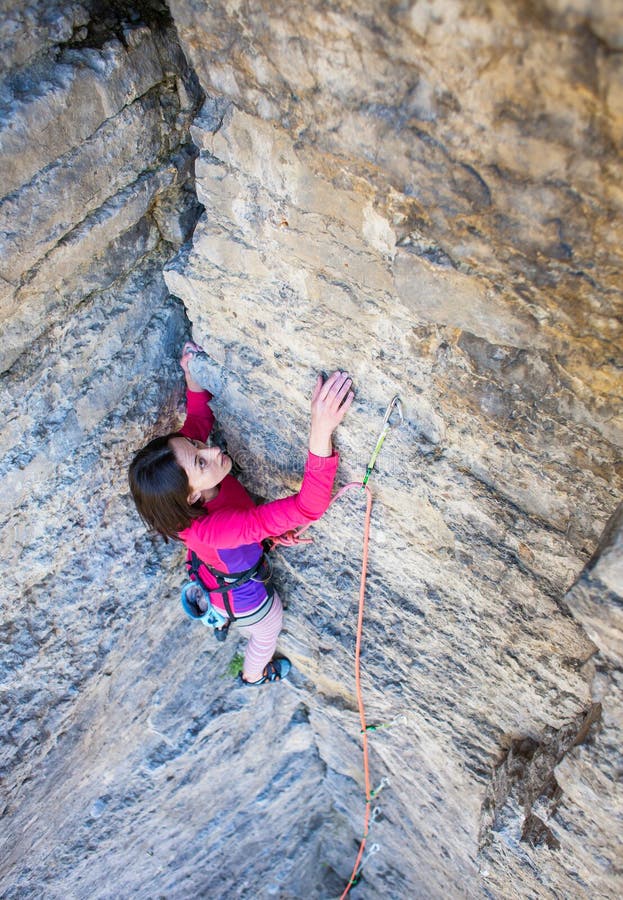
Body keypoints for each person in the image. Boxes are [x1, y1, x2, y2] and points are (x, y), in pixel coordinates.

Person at [129, 342, 354, 686]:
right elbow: (307, 507)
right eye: (201, 461)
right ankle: (252, 675)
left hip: (214, 567)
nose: (211, 449)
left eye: (197, 446)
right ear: (192, 496)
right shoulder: (215, 529)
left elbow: (198, 422)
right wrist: (321, 430)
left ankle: (218, 617)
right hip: (245, 601)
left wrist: (192, 375)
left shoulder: (183, 472)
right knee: (267, 631)